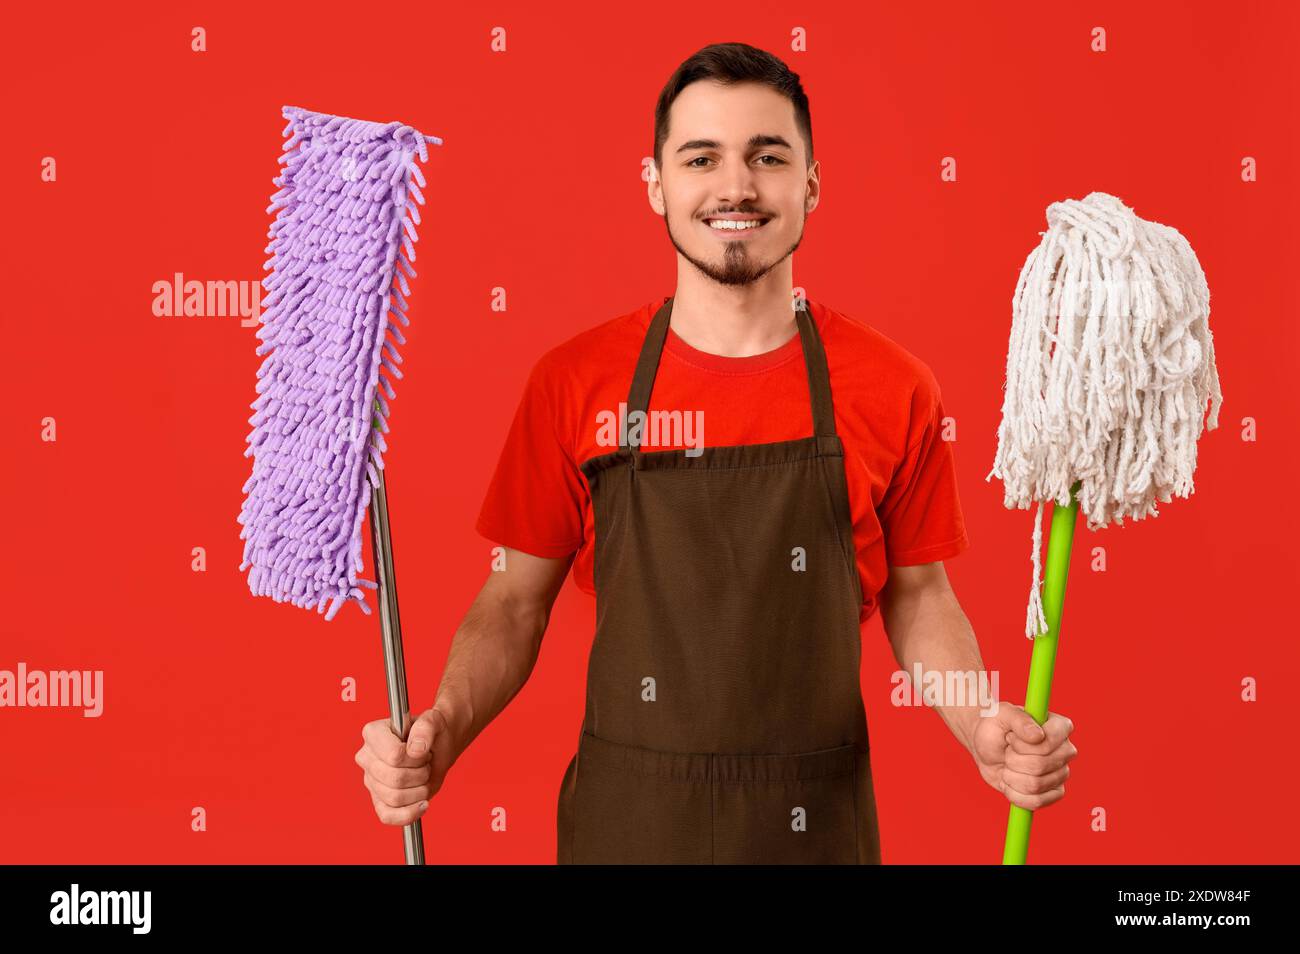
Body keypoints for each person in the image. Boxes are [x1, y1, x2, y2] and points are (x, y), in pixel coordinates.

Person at [355, 41, 1077, 864]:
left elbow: (919, 598)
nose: (735, 186)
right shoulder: (573, 383)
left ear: (810, 182)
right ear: (657, 184)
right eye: (702, 158)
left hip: (815, 833)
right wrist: (442, 729)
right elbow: (513, 603)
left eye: (767, 158)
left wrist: (978, 718)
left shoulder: (894, 386)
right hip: (627, 832)